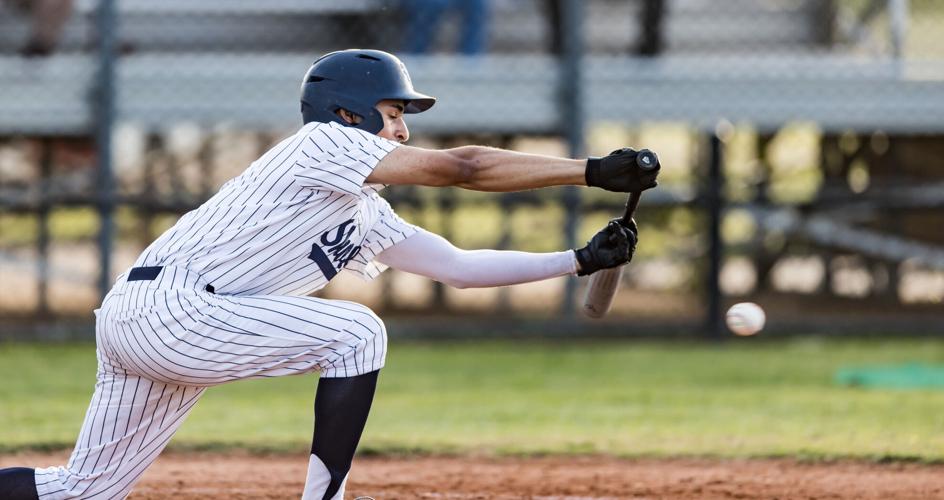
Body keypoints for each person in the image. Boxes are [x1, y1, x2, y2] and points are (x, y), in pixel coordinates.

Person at [0, 49, 658, 500]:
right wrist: (591, 170)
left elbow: (457, 268)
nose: (401, 132)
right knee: (357, 333)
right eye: (393, 113)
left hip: (151, 318)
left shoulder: (362, 211)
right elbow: (464, 168)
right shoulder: (322, 143)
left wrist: (578, 260)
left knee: (82, 490)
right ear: (348, 113)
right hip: (176, 313)